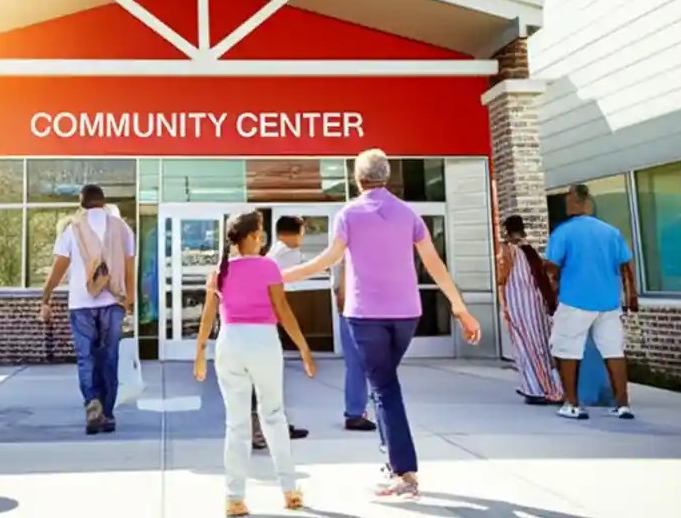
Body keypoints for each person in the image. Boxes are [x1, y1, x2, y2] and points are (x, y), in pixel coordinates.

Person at [284, 148, 482, 499]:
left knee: (385, 389)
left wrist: (279, 275)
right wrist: (460, 308)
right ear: (385, 176)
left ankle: (405, 473)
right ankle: (393, 464)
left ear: (357, 179)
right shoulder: (408, 213)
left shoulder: (348, 213)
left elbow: (330, 259)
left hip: (365, 316)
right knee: (382, 386)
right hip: (407, 314)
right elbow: (434, 264)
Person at [193, 210, 316, 517]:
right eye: (260, 234)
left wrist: (199, 355)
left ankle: (234, 498)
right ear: (250, 237)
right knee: (273, 415)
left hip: (230, 343)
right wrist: (303, 348)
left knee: (236, 424)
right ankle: (290, 492)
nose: (263, 241)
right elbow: (282, 310)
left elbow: (208, 317)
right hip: (263, 342)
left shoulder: (219, 271)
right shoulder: (267, 267)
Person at [39, 184, 136, 434]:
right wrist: (130, 300)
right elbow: (128, 268)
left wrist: (46, 295)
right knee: (109, 357)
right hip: (113, 301)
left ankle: (92, 404)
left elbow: (59, 267)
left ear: (81, 204)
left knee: (86, 357)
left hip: (81, 303)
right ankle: (108, 413)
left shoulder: (73, 229)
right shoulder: (122, 228)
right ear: (103, 202)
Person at [545, 184, 639, 420]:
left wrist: (552, 280)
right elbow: (626, 264)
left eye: (570, 199)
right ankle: (623, 404)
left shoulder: (563, 232)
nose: (567, 204)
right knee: (613, 350)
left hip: (575, 300)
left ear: (582, 202)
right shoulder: (611, 232)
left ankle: (572, 404)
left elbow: (552, 266)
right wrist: (632, 294)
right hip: (608, 301)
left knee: (566, 349)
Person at [496, 215, 562, 405]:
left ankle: (536, 388)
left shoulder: (509, 249)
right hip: (536, 303)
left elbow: (503, 276)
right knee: (541, 344)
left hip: (519, 304)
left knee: (525, 345)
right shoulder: (530, 249)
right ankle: (552, 387)